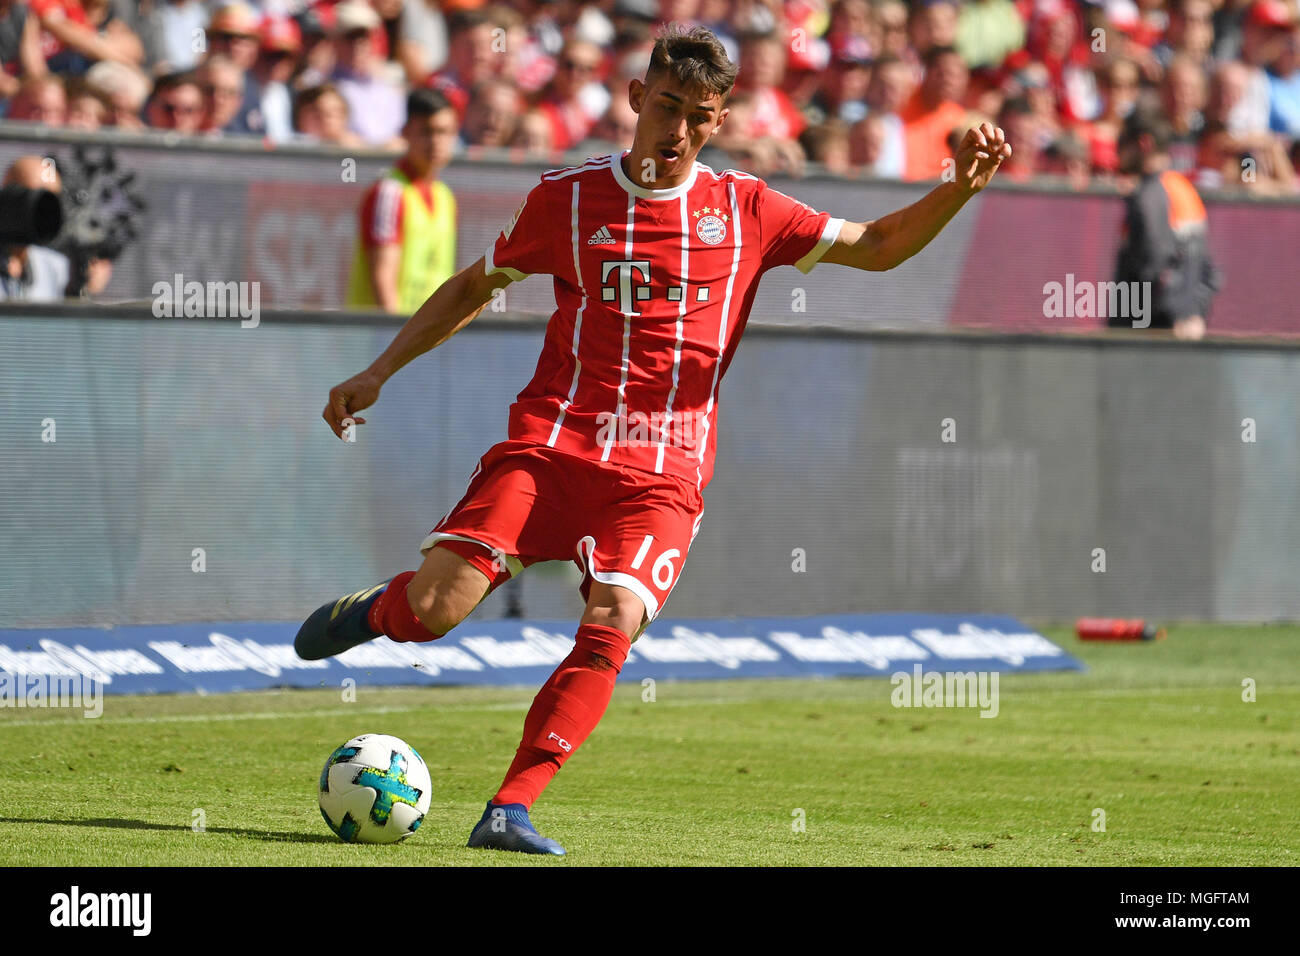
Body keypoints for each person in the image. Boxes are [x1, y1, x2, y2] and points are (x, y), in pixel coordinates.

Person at [295, 23, 1010, 856]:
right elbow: (473, 285)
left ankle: (511, 807)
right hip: (553, 447)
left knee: (613, 620)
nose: (677, 130)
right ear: (636, 98)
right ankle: (377, 610)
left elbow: (882, 247)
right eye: (666, 105)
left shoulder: (748, 210)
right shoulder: (565, 199)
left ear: (719, 120)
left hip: (661, 471)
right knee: (433, 610)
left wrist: (957, 187)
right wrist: (379, 370)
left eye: (698, 116)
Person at [345, 88, 458, 314]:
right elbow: (383, 277)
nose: (436, 142)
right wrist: (398, 340)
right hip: (382, 341)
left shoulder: (445, 196)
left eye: (444, 132)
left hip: (426, 338)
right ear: (406, 132)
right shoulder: (389, 193)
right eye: (426, 132)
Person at [1113, 102, 1220, 340]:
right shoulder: (1183, 189)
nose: (1119, 154)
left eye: (1123, 144)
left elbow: (1153, 267)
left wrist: (1169, 317)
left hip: (1150, 333)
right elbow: (1208, 273)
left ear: (1143, 144)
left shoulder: (1149, 195)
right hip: (1182, 328)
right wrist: (1192, 314)